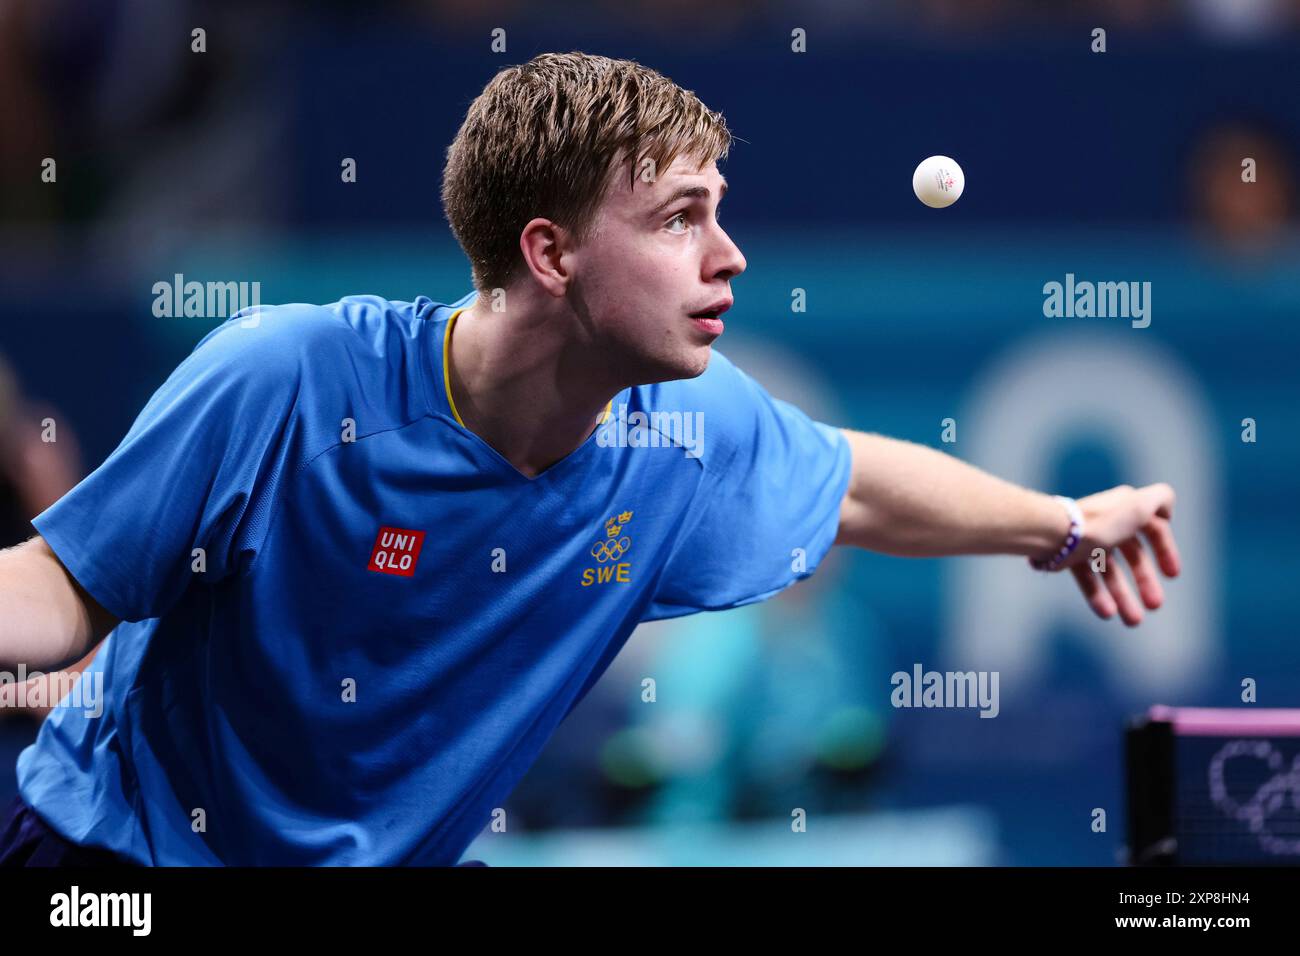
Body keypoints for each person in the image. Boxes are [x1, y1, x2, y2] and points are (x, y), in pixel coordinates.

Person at [0, 52, 1180, 866]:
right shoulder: (290, 377)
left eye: (719, 209)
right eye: (678, 217)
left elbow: (856, 479)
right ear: (550, 253)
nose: (729, 256)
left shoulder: (684, 432)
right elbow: (62, 591)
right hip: (113, 860)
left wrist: (1064, 522)